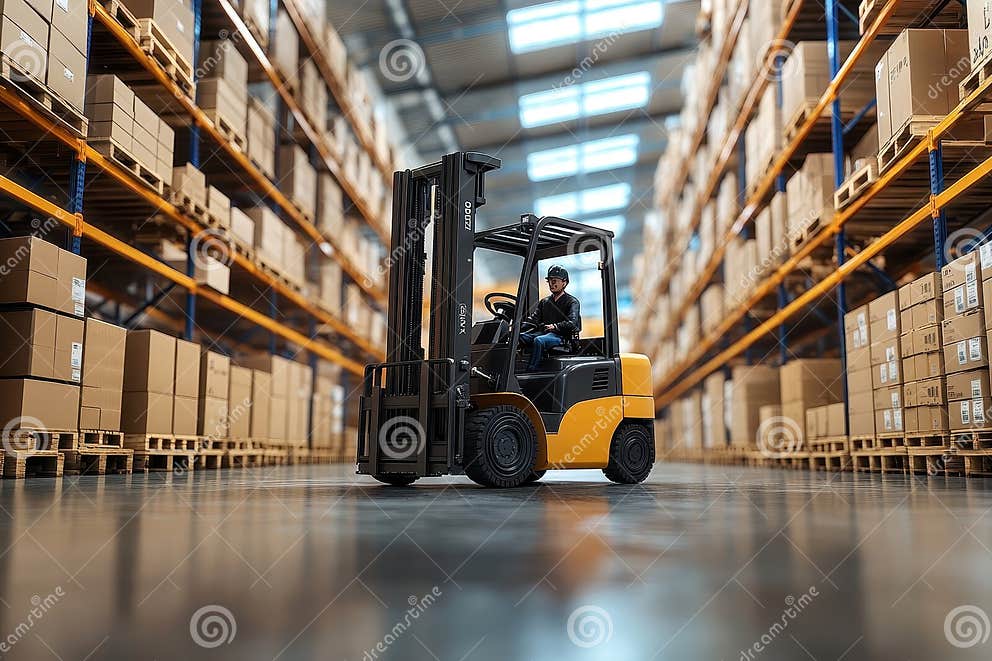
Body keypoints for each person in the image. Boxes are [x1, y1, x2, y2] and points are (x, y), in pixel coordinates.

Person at [519, 265, 581, 371]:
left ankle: (532, 370)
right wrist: (518, 328)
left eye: (554, 281)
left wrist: (555, 326)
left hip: (562, 337)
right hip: (545, 333)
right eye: (550, 281)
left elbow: (572, 323)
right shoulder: (545, 302)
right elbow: (534, 319)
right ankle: (517, 367)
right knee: (519, 337)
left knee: (539, 340)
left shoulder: (572, 302)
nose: (552, 284)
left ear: (564, 282)